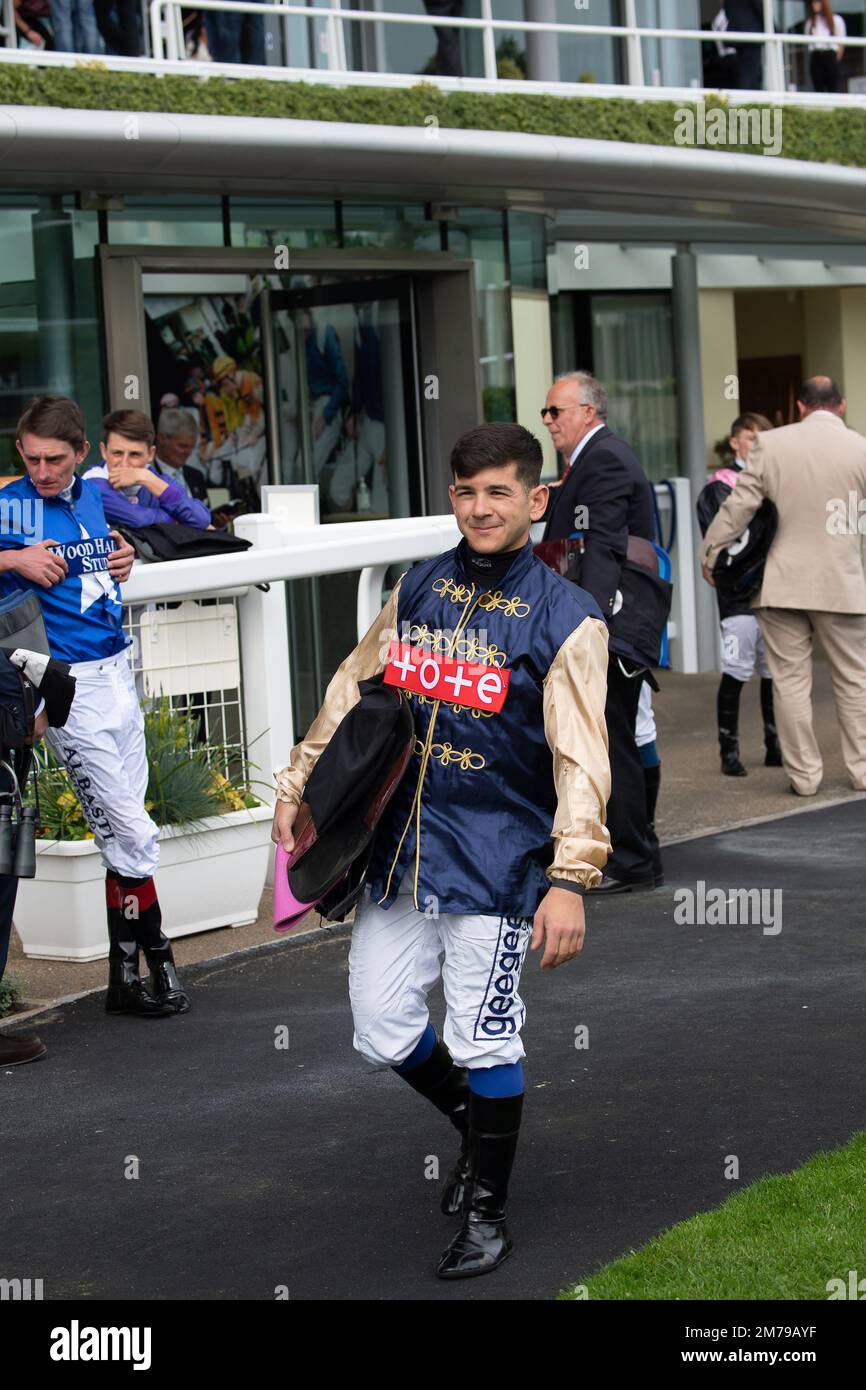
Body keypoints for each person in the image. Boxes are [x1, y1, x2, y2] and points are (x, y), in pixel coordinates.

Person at [272, 422, 611, 1279]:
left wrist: (570, 878)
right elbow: (354, 689)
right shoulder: (418, 586)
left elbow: (582, 759)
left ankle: (490, 1216)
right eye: (466, 492)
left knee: (484, 1038)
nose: (481, 507)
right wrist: (299, 785)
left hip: (500, 864)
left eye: (500, 492)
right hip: (401, 852)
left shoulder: (569, 617)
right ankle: (476, 1127)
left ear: (536, 500)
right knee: (382, 1027)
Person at [0, 395, 191, 1016]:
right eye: (30, 458)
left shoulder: (90, 492)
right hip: (63, 686)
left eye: (54, 458)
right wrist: (11, 558)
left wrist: (127, 556)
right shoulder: (9, 504)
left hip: (119, 672)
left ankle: (122, 980)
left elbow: (180, 520)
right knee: (133, 833)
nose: (41, 471)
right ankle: (157, 958)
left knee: (123, 832)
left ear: (81, 453)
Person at [700, 376, 866, 797]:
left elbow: (740, 505)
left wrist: (711, 552)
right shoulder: (861, 448)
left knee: (791, 682)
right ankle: (862, 770)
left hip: (783, 584)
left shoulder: (773, 445)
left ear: (800, 406)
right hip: (843, 583)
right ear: (841, 406)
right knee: (854, 681)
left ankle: (805, 777)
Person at [540, 370, 662, 894]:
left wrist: (585, 623)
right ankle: (629, 853)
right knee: (614, 739)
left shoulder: (605, 457)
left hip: (607, 628)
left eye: (555, 411)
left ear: (588, 411)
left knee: (612, 744)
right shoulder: (595, 458)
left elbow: (605, 546)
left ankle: (635, 860)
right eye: (545, 413)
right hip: (610, 625)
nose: (547, 421)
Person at [697, 412, 781, 777]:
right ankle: (728, 748)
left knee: (773, 672)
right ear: (735, 442)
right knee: (736, 670)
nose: (758, 446)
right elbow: (729, 545)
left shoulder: (775, 482)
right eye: (752, 438)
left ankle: (775, 743)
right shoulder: (719, 487)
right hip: (738, 597)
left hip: (776, 592)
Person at [83, 409, 212, 531]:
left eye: (134, 454)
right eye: (117, 453)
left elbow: (202, 519)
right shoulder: (92, 483)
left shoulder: (155, 479)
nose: (125, 464)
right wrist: (180, 521)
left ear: (150, 454)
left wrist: (146, 478)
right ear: (104, 451)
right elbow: (138, 519)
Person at [154, 406, 210, 503]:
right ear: (162, 438)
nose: (188, 452)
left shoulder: (196, 476)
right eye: (183, 446)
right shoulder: (146, 476)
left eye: (192, 447)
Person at [805, 0, 845, 94]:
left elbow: (841, 43)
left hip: (830, 55)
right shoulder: (810, 23)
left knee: (833, 88)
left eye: (817, 2)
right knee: (818, 88)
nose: (814, 5)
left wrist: (835, 60)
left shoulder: (836, 20)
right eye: (813, 2)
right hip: (816, 56)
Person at [725, 0, 766, 90]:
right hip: (751, 38)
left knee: (746, 72)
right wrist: (774, 30)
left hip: (739, 37)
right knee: (751, 75)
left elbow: (728, 11)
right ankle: (749, 101)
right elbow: (761, 10)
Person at [423, 0, 464, 77]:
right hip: (438, 4)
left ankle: (447, 78)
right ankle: (456, 81)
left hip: (454, 3)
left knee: (450, 39)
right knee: (448, 40)